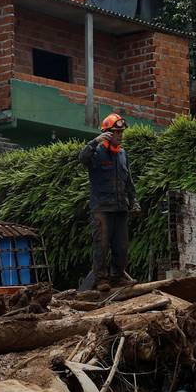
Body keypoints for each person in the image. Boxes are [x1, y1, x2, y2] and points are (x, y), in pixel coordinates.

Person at [77, 113, 139, 291]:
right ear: (107, 133)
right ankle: (101, 279)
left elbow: (128, 181)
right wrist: (95, 141)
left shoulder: (122, 154)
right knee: (102, 245)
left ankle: (118, 277)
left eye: (121, 132)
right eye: (116, 132)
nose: (120, 135)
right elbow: (82, 158)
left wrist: (134, 201)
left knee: (121, 245)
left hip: (120, 208)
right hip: (102, 209)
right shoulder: (96, 152)